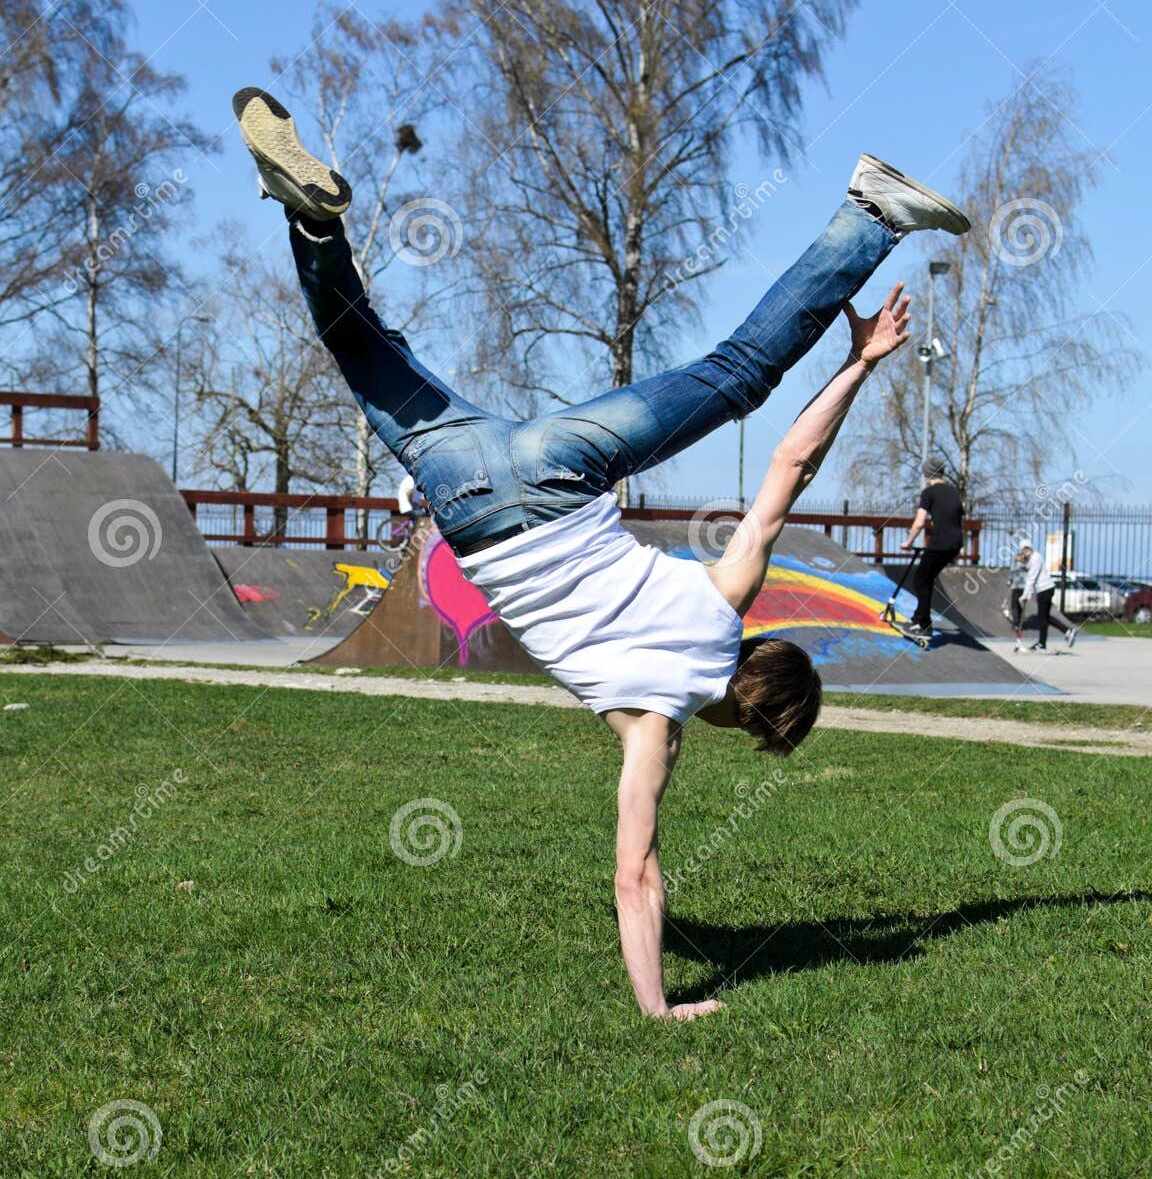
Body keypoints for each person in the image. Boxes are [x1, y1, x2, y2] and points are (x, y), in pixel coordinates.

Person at [233, 86, 969, 1019]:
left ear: (762, 655)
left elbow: (790, 458)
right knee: (359, 346)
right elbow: (635, 877)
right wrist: (660, 1008)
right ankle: (311, 234)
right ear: (745, 724)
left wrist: (859, 364)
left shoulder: (725, 596)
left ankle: (870, 213)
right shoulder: (651, 729)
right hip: (467, 494)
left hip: (556, 464)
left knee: (736, 374)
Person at [901, 454, 964, 637]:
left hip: (940, 543)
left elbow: (919, 522)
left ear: (927, 475)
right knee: (927, 579)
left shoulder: (928, 493)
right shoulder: (954, 492)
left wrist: (908, 542)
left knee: (921, 580)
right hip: (956, 543)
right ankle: (917, 618)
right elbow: (956, 516)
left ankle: (924, 625)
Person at [1019, 543, 1077, 653]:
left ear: (1031, 548)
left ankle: (1042, 644)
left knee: (1042, 618)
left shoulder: (1036, 558)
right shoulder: (1032, 559)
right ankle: (1067, 631)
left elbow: (1031, 578)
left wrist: (1024, 595)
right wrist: (1028, 594)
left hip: (1045, 589)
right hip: (1043, 589)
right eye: (1023, 550)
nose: (1025, 552)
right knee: (1045, 617)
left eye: (1027, 549)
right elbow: (1031, 576)